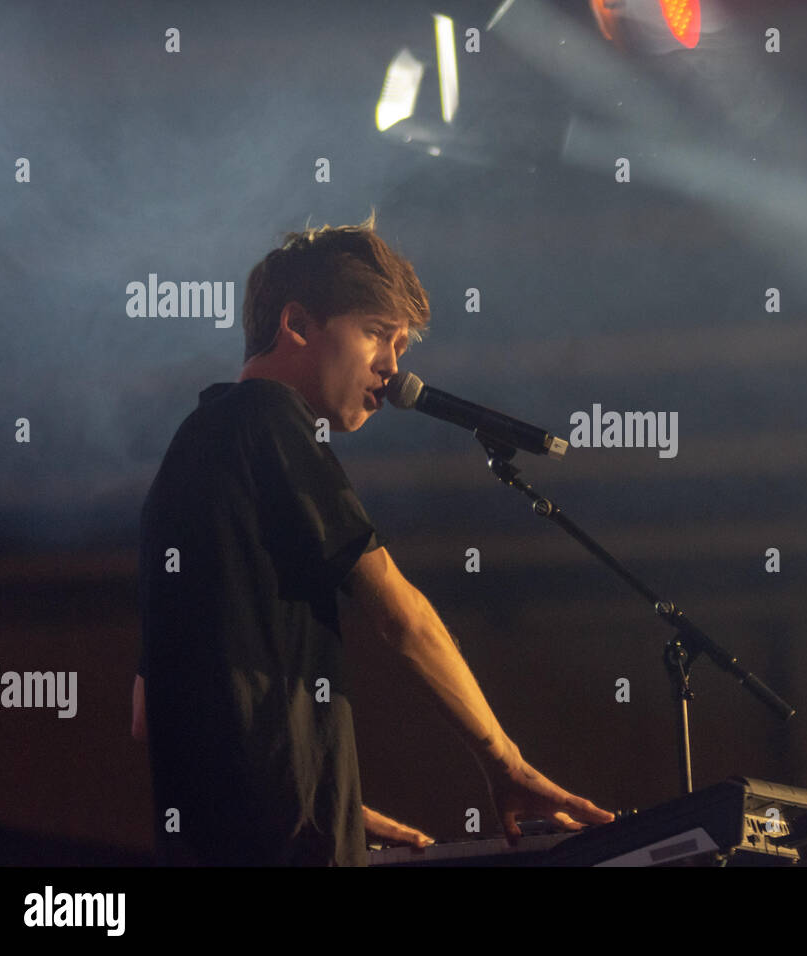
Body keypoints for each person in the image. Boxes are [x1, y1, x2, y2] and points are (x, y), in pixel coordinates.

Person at [132, 213, 613, 865]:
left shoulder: (193, 455)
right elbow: (400, 614)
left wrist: (326, 802)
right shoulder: (270, 418)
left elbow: (150, 710)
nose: (392, 369)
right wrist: (507, 764)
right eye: (377, 335)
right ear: (298, 325)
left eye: (403, 347)